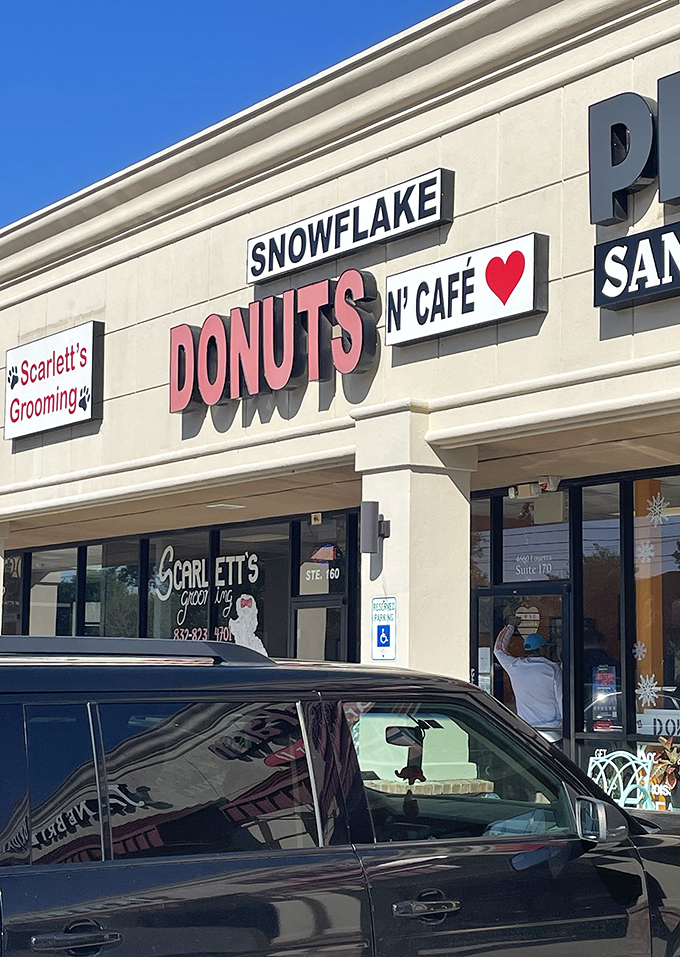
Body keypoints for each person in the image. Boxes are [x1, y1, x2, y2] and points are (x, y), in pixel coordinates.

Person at [494, 621, 563, 744]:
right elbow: (561, 699)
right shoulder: (552, 669)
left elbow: (498, 649)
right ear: (543, 649)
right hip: (552, 733)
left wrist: (511, 626)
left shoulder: (515, 667)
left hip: (527, 732)